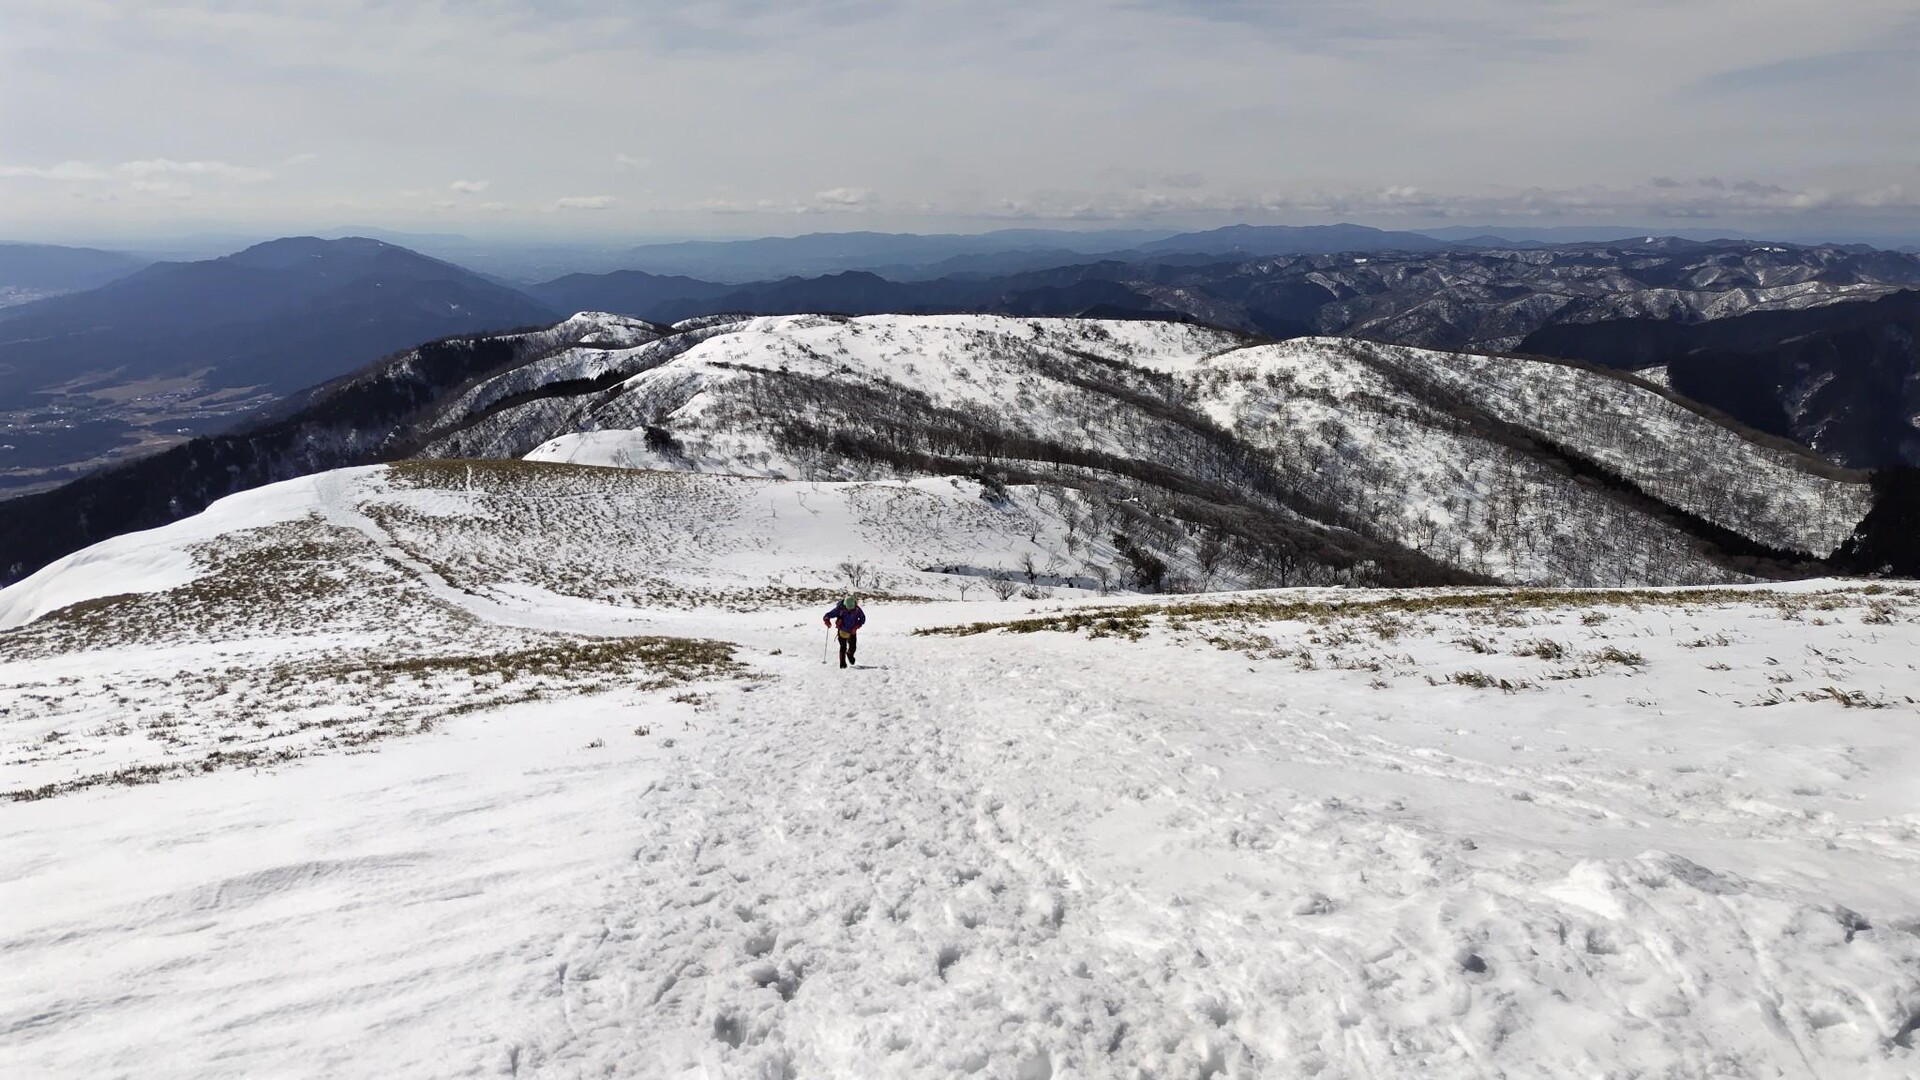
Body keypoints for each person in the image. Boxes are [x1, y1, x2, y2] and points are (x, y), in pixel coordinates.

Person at [824, 595, 866, 668]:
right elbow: (827, 615)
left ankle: (850, 654)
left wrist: (856, 627)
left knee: (853, 647)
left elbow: (862, 619)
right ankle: (842, 664)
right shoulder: (839, 609)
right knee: (843, 647)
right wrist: (827, 621)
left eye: (851, 608)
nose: (850, 609)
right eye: (848, 608)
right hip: (842, 631)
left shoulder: (857, 610)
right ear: (845, 605)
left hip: (852, 631)